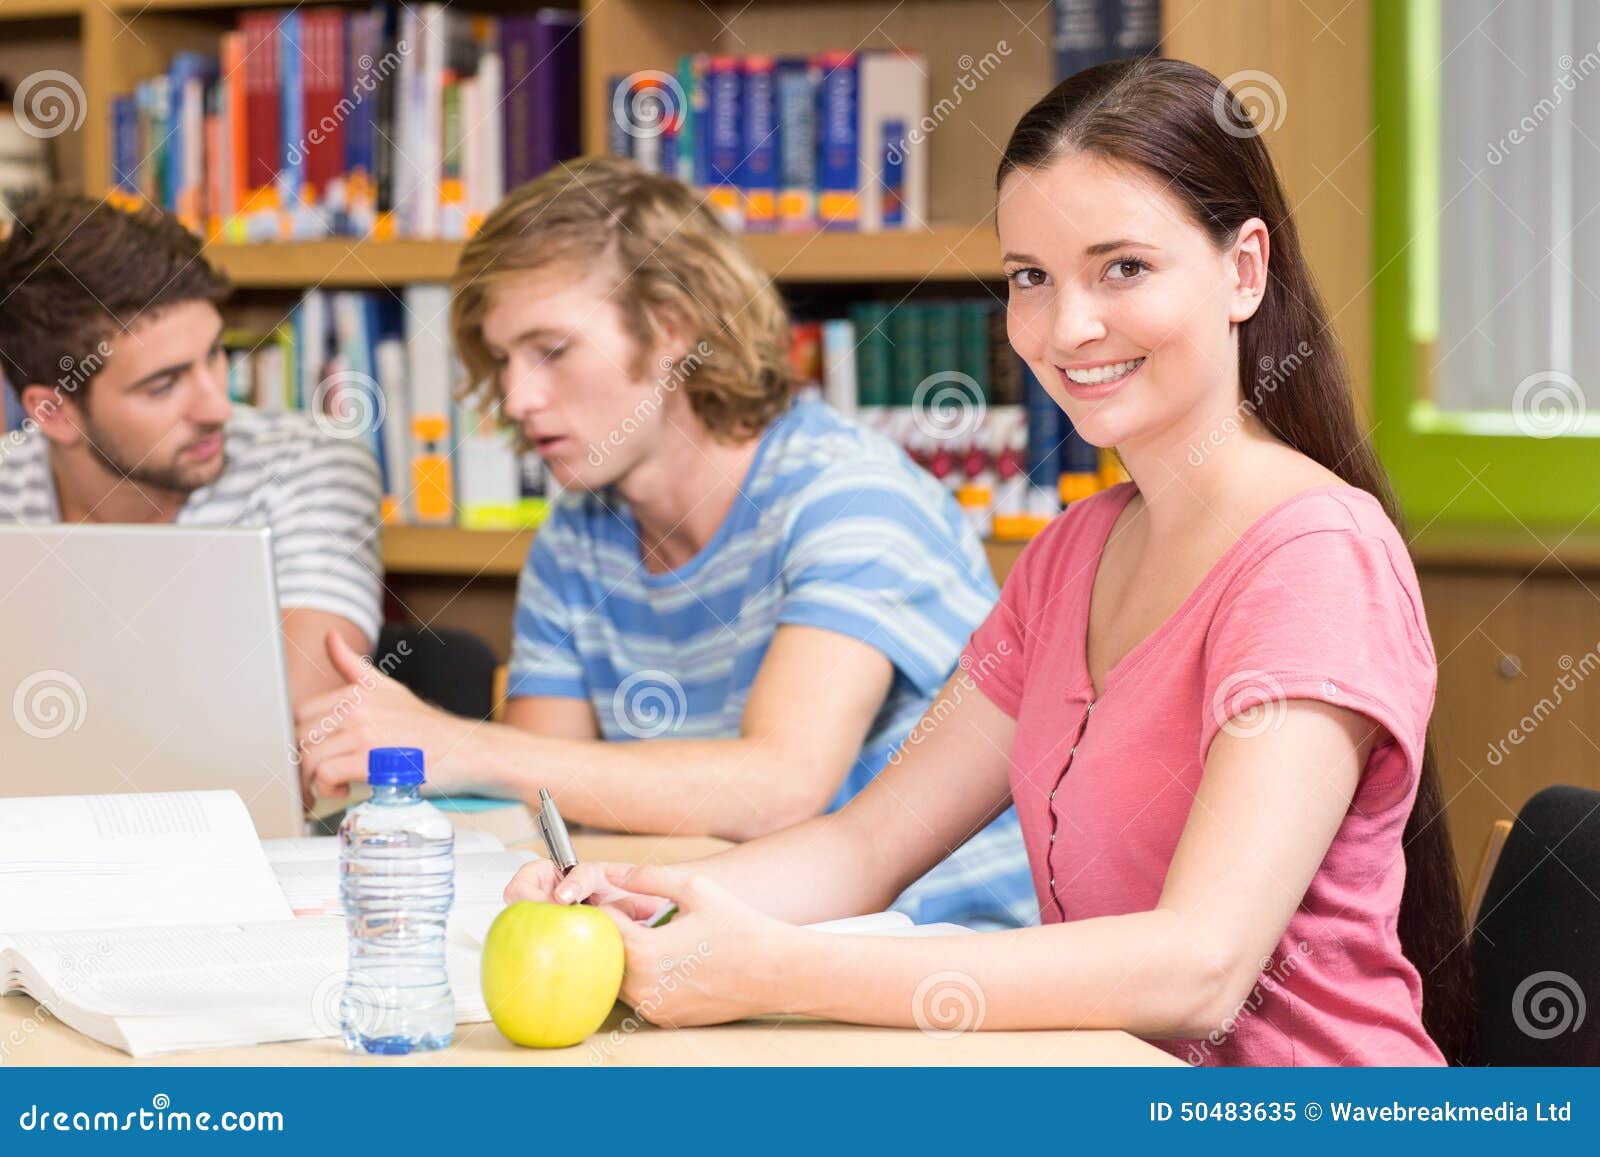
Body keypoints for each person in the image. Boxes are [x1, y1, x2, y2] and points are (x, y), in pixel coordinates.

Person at [505, 59, 1477, 1067]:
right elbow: (864, 845)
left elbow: (1199, 965)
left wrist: (773, 969)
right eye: (1030, 278)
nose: (1066, 328)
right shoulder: (1072, 553)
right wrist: (627, 895)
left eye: (1123, 268)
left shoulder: (1317, 556)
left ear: (1243, 269)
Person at [295, 156, 1036, 931]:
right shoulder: (576, 538)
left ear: (674, 329)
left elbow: (782, 785)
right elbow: (551, 809)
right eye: (503, 359)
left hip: (940, 946)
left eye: (550, 350)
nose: (516, 397)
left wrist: (450, 743)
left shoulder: (848, 495)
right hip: (740, 930)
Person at [0, 196, 383, 720]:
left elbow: (291, 731)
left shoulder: (312, 461)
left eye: (215, 356)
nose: (217, 407)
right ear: (53, 412)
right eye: (163, 385)